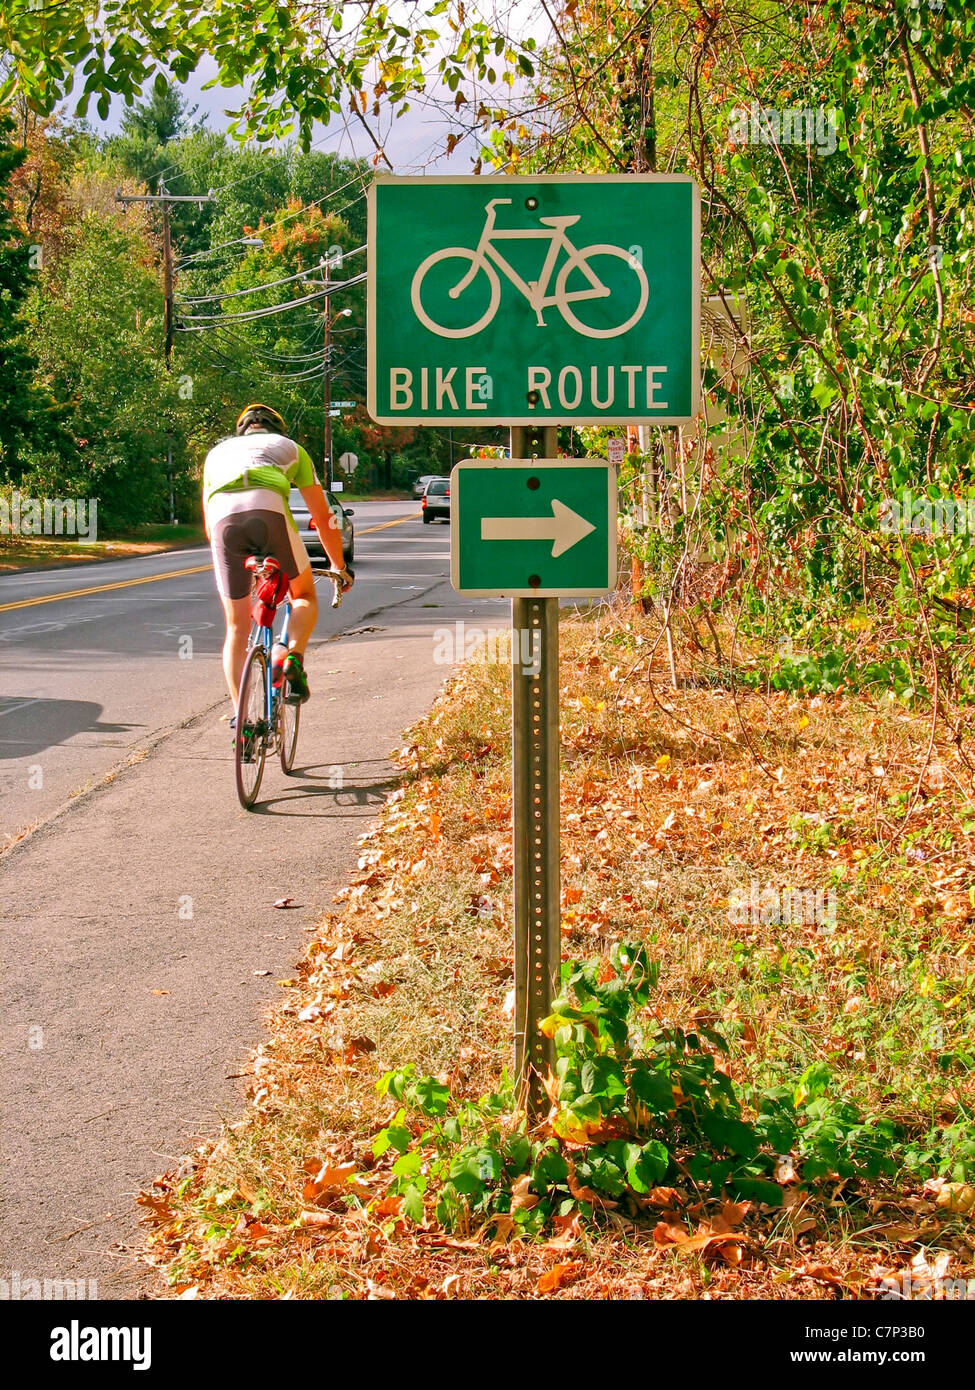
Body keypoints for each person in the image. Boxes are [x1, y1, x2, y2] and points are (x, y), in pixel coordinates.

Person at [202, 403, 353, 711]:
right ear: (277, 429)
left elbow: (208, 527)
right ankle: (293, 657)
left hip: (222, 522)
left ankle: (241, 723)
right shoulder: (290, 448)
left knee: (236, 627)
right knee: (304, 595)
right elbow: (324, 518)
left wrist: (250, 567)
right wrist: (339, 566)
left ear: (242, 429)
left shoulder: (216, 454)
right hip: (268, 511)